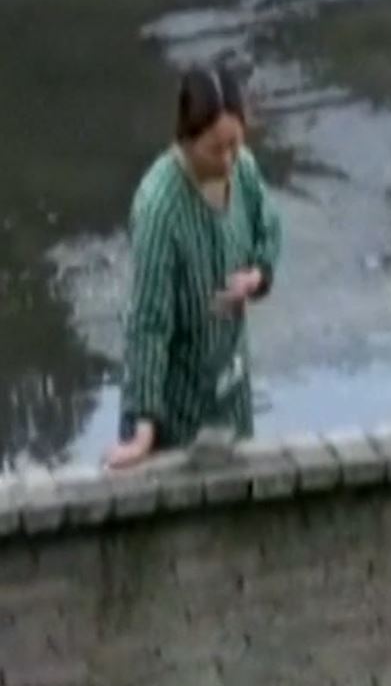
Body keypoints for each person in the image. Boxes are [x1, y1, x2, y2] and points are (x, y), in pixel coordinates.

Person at [106, 64, 283, 469]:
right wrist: (144, 426)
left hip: (230, 387)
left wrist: (257, 275)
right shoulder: (159, 208)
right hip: (177, 401)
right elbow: (148, 322)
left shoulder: (244, 171)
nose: (228, 159)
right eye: (215, 149)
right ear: (186, 139)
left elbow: (269, 226)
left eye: (235, 143)